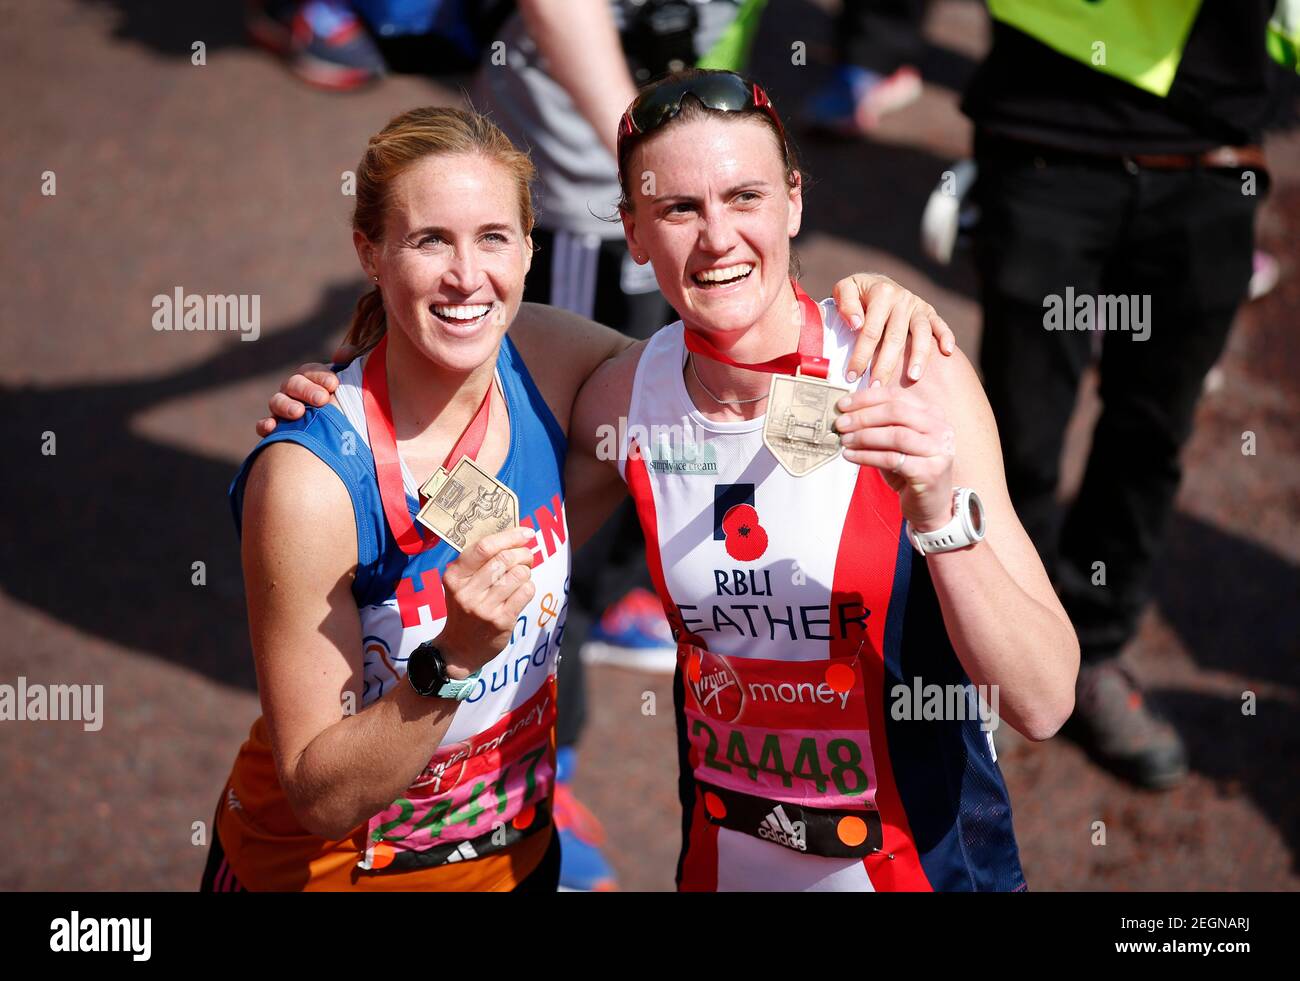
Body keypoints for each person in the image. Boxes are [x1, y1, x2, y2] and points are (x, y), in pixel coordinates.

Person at [265, 70, 1078, 891]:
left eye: (746, 197)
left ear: (794, 201)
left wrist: (941, 518)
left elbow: (1043, 700)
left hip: (925, 872)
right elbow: (449, 366)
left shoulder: (903, 369)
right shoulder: (627, 395)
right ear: (635, 231)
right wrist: (332, 397)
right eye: (680, 209)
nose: (718, 236)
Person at [962, 0, 1282, 789]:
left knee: (1151, 436)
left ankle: (1092, 653)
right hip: (1049, 139)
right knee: (1013, 433)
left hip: (1213, 155)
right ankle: (983, 666)